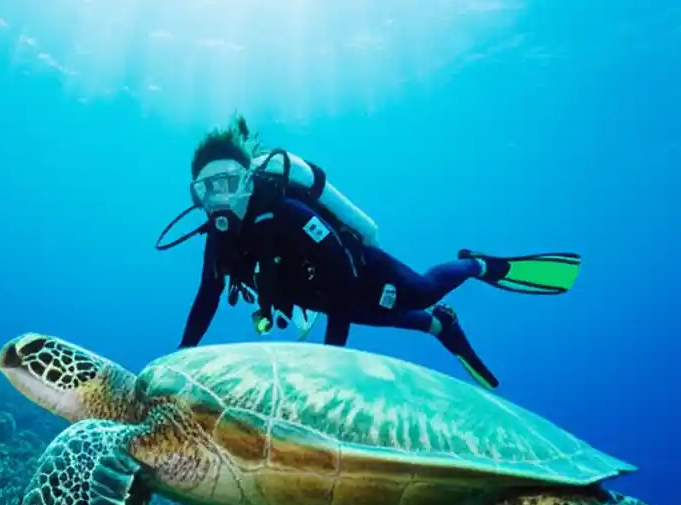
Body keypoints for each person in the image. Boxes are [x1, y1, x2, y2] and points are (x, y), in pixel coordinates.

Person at [155, 115, 582, 389]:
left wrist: (330, 363)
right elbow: (207, 297)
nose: (219, 199)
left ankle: (476, 264)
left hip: (360, 273)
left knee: (421, 292)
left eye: (228, 183)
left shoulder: (286, 213)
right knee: (389, 317)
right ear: (197, 196)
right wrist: (180, 358)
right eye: (207, 190)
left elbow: (339, 274)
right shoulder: (219, 240)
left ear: (248, 181)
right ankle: (441, 327)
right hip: (322, 298)